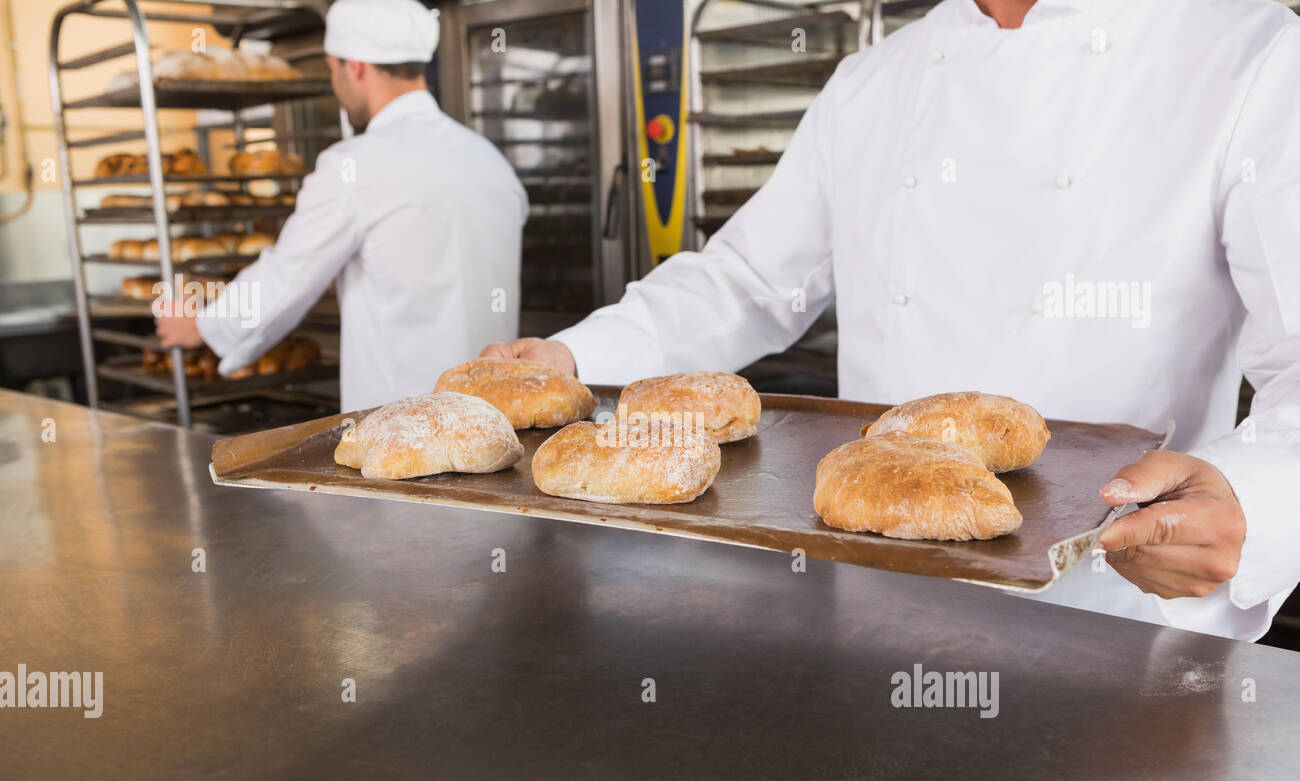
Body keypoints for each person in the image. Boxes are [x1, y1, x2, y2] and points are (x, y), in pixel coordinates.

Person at [482, 0, 1300, 642]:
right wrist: (571, 357)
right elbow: (750, 279)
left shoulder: (1249, 53)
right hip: (878, 600)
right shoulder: (875, 77)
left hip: (1117, 613)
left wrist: (1253, 501)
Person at [158, 0, 527, 412]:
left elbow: (289, 275)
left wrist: (206, 325)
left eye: (333, 69)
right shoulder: (489, 160)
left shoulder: (353, 167)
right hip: (491, 419)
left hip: (400, 432)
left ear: (356, 68)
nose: (336, 83)